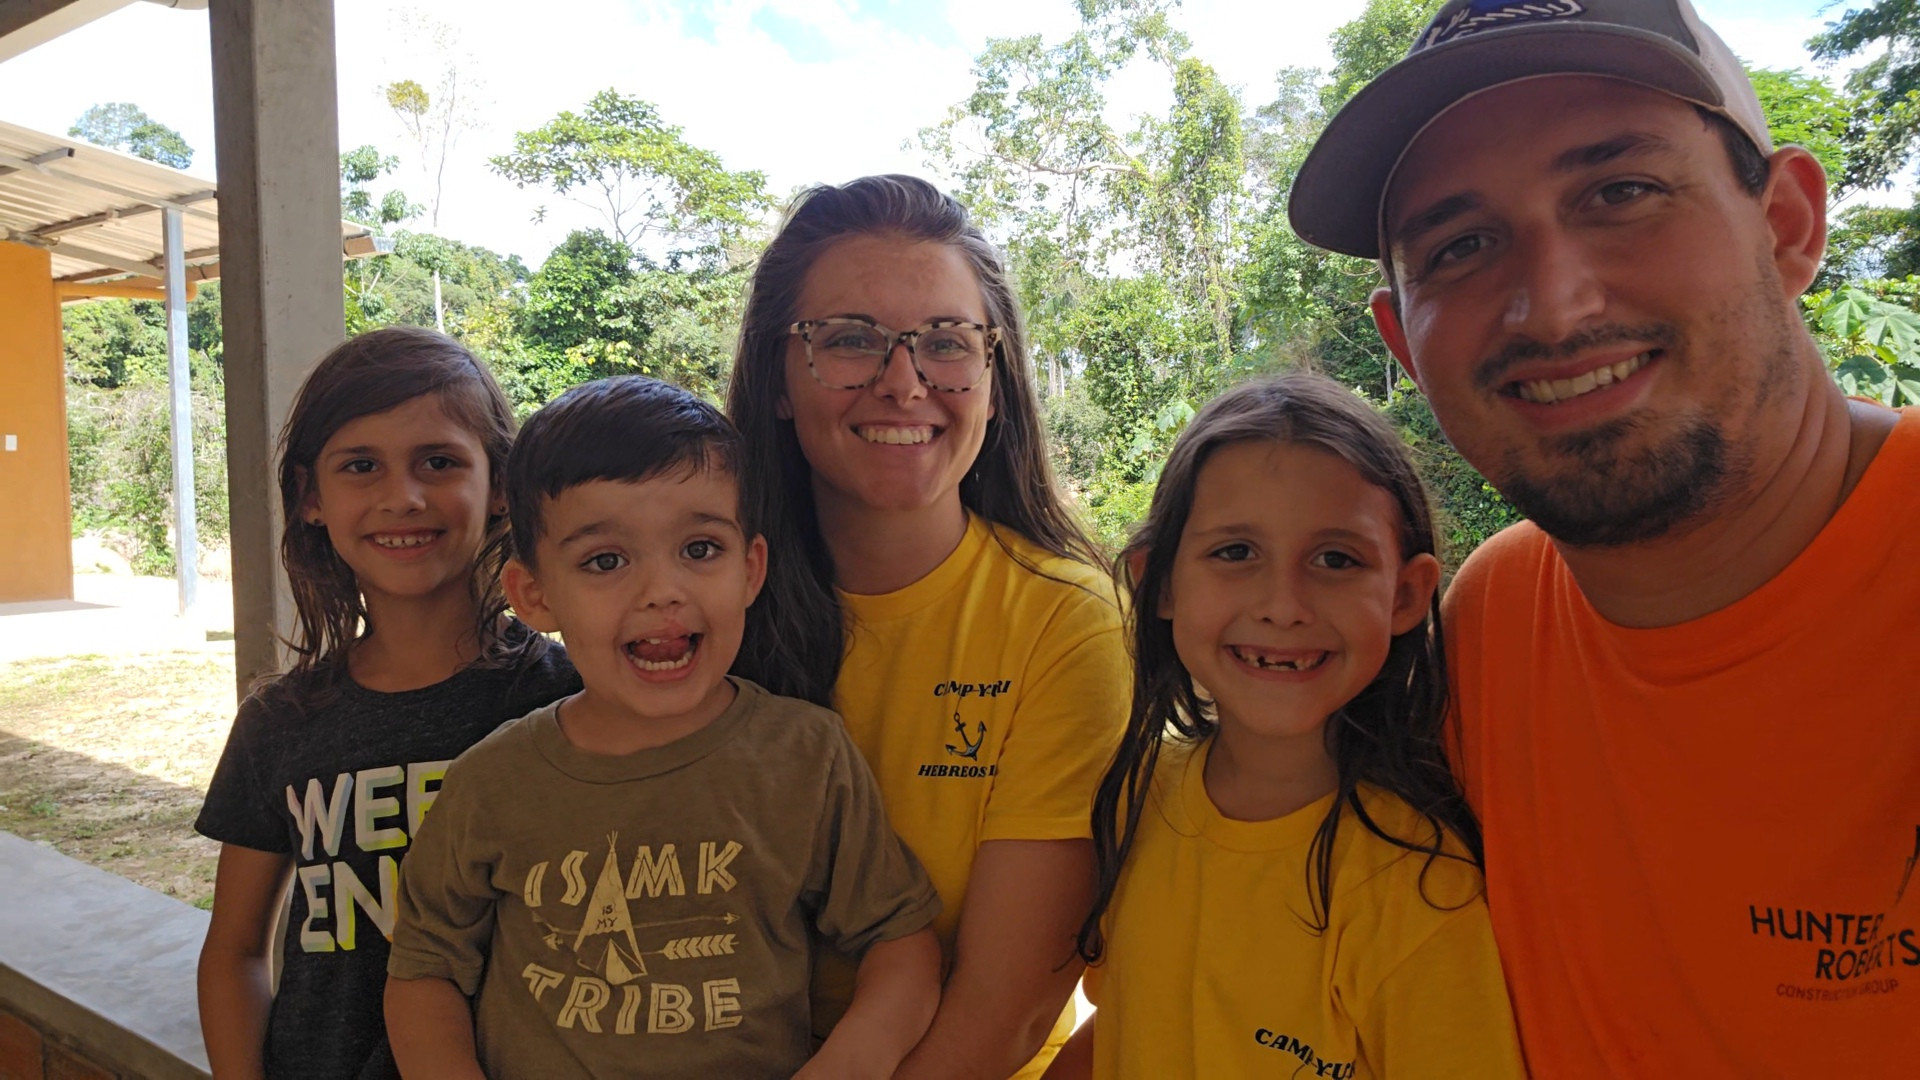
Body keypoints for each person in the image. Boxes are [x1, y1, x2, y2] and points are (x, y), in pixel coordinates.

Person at [1288, 0, 1920, 1073]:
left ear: (1787, 227)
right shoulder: (1492, 623)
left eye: (1621, 193)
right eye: (1461, 246)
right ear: (1401, 336)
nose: (1552, 306)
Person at [383, 376, 943, 1078]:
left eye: (700, 549)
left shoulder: (804, 755)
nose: (661, 591)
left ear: (750, 567)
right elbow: (424, 970)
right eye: (606, 561)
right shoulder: (491, 782)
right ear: (534, 594)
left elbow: (899, 939)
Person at [725, 174, 1131, 1078]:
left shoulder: (1062, 619)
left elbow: (1005, 1010)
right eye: (850, 341)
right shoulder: (706, 604)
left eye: (947, 343)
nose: (904, 383)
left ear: (994, 374)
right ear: (779, 381)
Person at [1044, 375, 1524, 1080]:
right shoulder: (1137, 801)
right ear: (1160, 583)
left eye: (1336, 559)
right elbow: (1131, 1025)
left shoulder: (1414, 887)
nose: (1283, 604)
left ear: (1406, 595)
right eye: (1236, 552)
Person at [194, 327, 581, 1080]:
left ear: (500, 484)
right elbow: (236, 950)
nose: (402, 497)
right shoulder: (280, 723)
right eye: (361, 466)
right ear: (312, 496)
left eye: (439, 462)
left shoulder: (568, 697)